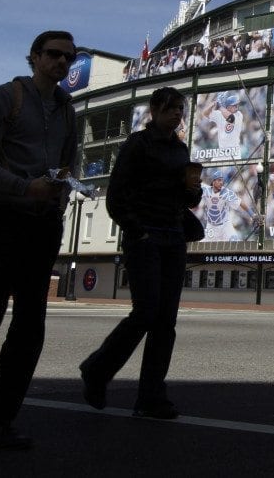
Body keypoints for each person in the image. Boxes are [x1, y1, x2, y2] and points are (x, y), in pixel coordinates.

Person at [0, 30, 78, 449]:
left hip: (41, 225)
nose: (62, 62)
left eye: (69, 56)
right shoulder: (4, 97)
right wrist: (23, 187)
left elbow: (69, 164)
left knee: (30, 327)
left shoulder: (68, 110)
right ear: (34, 57)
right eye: (54, 54)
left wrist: (61, 193)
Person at [79, 87, 203, 420]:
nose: (176, 113)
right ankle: (97, 369)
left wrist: (194, 191)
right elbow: (116, 196)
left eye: (180, 108)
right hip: (146, 236)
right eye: (170, 108)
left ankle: (151, 396)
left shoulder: (181, 150)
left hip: (174, 236)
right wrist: (139, 231)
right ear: (154, 110)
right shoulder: (137, 144)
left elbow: (189, 200)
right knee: (146, 313)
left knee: (166, 322)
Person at [198, 168, 257, 241]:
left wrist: (252, 214)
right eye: (219, 180)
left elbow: (240, 202)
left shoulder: (227, 193)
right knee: (202, 247)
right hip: (211, 227)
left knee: (235, 242)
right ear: (213, 181)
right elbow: (195, 183)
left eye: (222, 180)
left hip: (225, 226)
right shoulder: (206, 190)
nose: (221, 182)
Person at [200, 91, 245, 159]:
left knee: (234, 169)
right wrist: (213, 104)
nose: (236, 107)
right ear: (228, 107)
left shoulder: (238, 115)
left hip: (234, 152)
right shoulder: (219, 114)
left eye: (237, 105)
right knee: (210, 166)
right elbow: (205, 113)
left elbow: (231, 118)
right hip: (222, 152)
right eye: (234, 105)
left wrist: (220, 106)